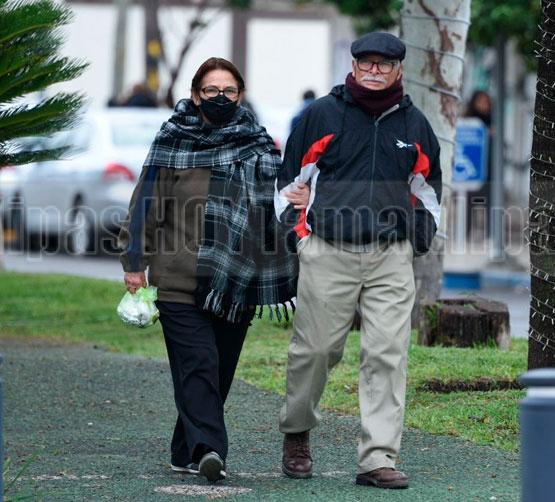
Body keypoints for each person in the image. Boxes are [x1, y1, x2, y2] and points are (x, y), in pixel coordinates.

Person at [274, 32, 442, 489]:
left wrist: (416, 239)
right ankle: (297, 431)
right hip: (328, 250)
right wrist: (299, 234)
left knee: (388, 354)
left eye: (383, 65)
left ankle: (377, 458)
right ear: (353, 66)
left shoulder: (415, 126)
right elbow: (289, 182)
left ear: (398, 70)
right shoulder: (321, 116)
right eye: (365, 62)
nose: (373, 70)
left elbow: (427, 191)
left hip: (390, 256)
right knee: (316, 351)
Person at [119, 57, 296, 483]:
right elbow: (145, 203)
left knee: (218, 372)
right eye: (212, 90)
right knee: (198, 363)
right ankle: (209, 450)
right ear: (196, 94)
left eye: (229, 91)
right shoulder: (172, 142)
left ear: (240, 96)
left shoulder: (259, 145)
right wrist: (133, 261)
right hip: (178, 278)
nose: (221, 98)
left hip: (236, 281)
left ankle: (184, 449)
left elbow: (280, 206)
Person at [462, 90, 493, 237]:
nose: (483, 105)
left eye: (486, 102)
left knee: (491, 203)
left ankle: (491, 234)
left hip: (489, 171)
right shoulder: (468, 123)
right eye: (480, 102)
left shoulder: (493, 122)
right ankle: (465, 233)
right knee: (469, 203)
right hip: (472, 170)